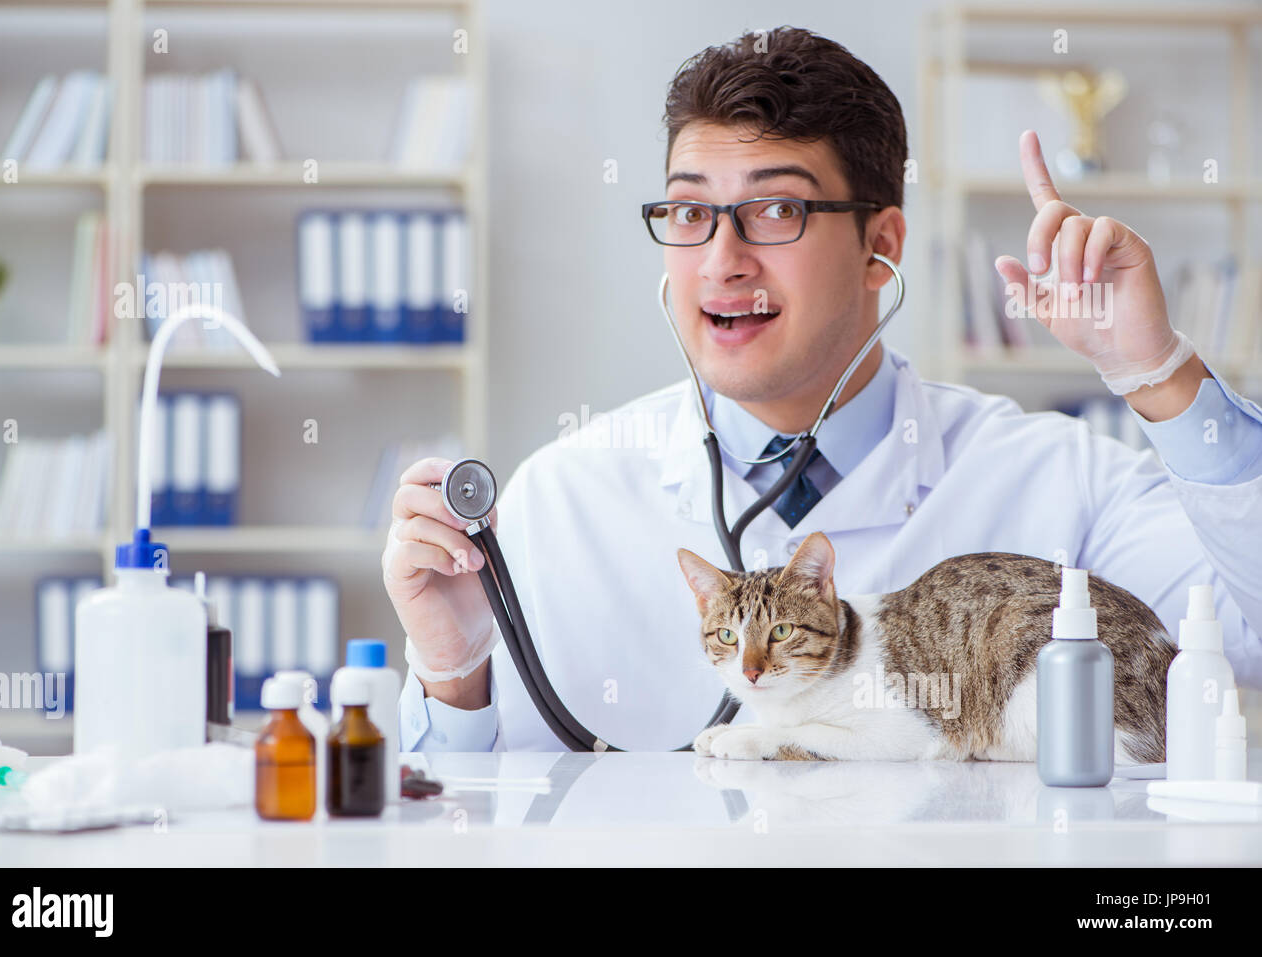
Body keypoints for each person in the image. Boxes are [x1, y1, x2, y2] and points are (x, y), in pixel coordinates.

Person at [383, 27, 1262, 753]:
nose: (723, 260)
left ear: (883, 245)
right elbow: (471, 827)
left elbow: (1249, 633)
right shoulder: (562, 495)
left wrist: (1162, 373)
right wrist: (454, 671)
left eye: (776, 211)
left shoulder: (1062, 477)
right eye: (690, 213)